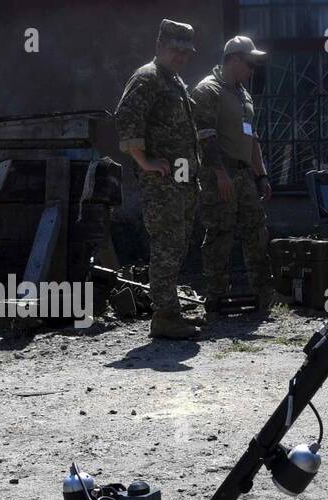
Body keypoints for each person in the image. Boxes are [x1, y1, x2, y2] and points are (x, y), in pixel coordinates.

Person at [115, 19, 202, 340]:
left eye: (186, 52)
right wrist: (145, 162)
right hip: (162, 185)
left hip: (180, 181)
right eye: (175, 50)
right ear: (160, 45)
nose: (181, 57)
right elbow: (126, 118)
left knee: (176, 245)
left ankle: (172, 311)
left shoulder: (173, 80)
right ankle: (164, 317)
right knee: (166, 245)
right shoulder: (147, 78)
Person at [191, 35, 274, 321]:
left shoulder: (243, 94)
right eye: (250, 63)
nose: (253, 70)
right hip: (220, 175)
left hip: (244, 174)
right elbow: (205, 137)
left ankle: (263, 297)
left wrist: (261, 174)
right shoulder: (208, 90)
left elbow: (251, 138)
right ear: (235, 60)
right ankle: (215, 298)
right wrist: (220, 174)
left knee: (256, 231)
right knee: (220, 234)